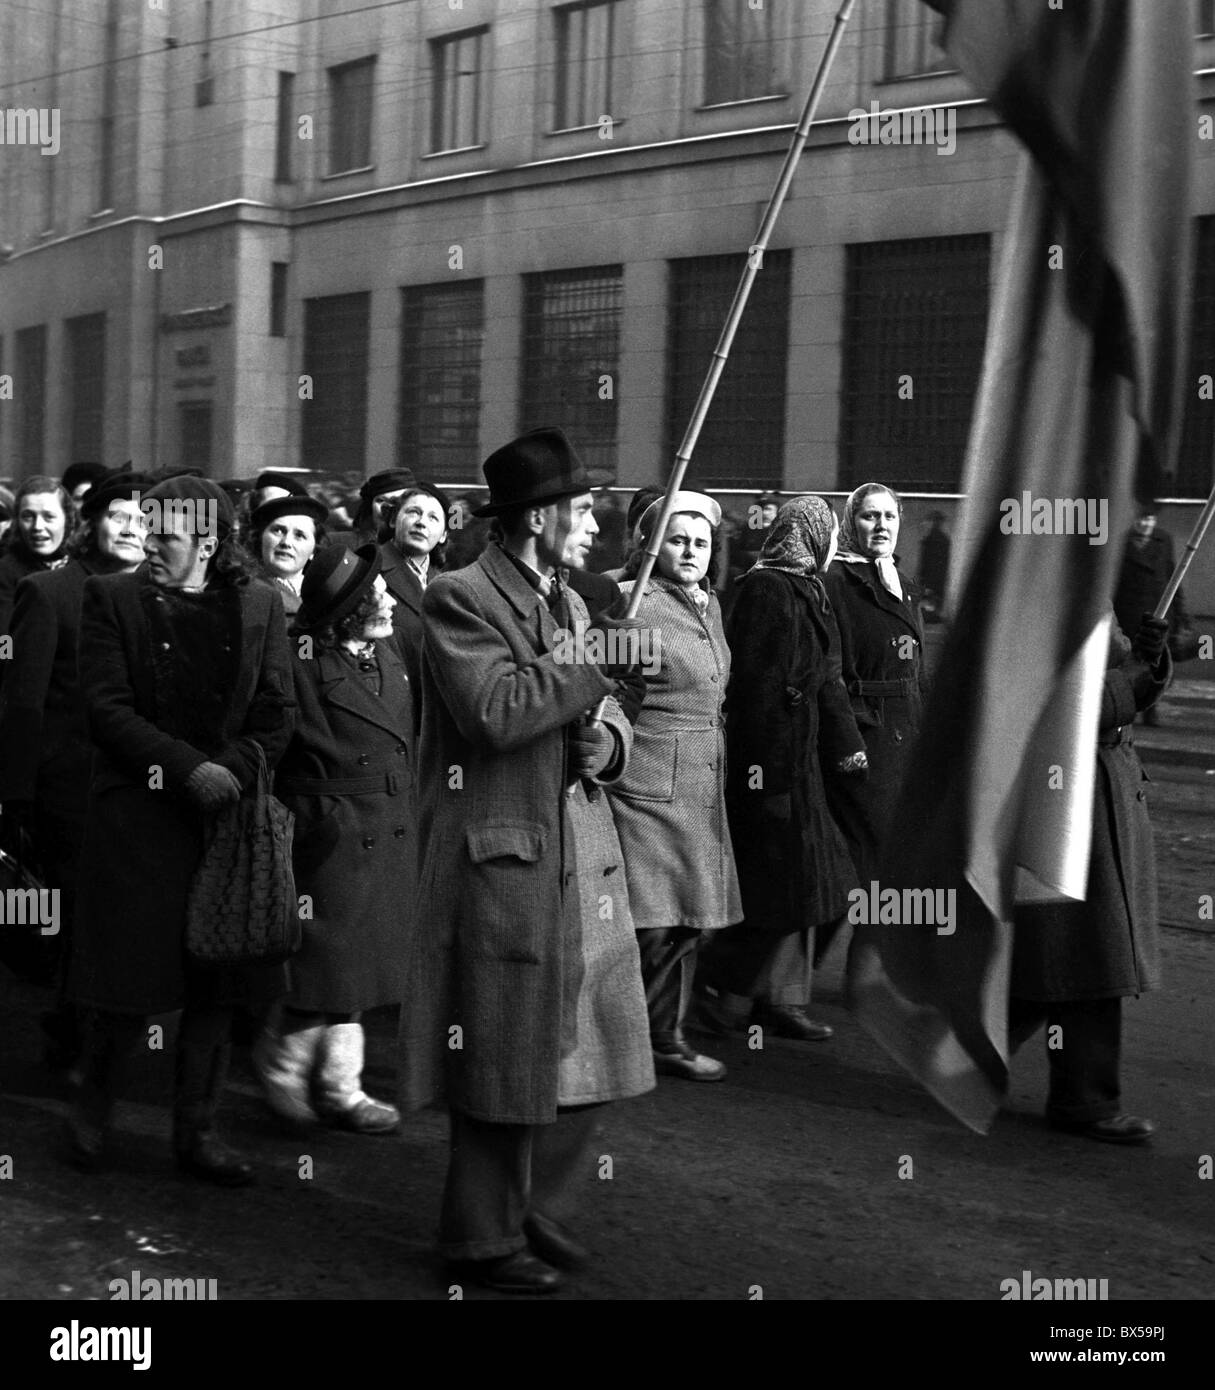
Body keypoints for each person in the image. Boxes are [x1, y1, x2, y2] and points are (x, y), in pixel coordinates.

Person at [398, 426, 654, 1295]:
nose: (593, 525)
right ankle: (480, 1241)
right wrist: (590, 663)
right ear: (540, 516)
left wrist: (608, 748)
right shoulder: (460, 599)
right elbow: (498, 712)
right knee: (500, 1056)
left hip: (582, 859)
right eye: (581, 510)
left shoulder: (576, 603)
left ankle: (538, 1207)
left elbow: (606, 708)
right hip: (503, 863)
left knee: (597, 1045)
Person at [65, 476, 294, 1185]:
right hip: (139, 818)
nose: (145, 542)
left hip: (225, 820)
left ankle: (196, 1132)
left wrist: (234, 769)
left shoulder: (259, 606)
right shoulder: (115, 598)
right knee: (128, 982)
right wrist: (188, 769)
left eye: (161, 532)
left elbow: (276, 710)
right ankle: (93, 1110)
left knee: (215, 984)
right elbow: (106, 709)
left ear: (207, 541)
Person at [253, 545, 414, 1136]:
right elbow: (269, 747)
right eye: (378, 594)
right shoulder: (300, 664)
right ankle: (283, 1069)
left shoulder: (389, 654)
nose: (391, 600)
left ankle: (342, 1086)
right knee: (323, 964)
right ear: (347, 611)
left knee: (362, 969)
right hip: (331, 831)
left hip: (390, 823)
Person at [699, 497, 868, 1041]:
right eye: (831, 531)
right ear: (811, 535)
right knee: (781, 893)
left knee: (814, 889)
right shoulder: (769, 588)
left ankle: (741, 995)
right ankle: (724, 993)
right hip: (772, 769)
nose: (836, 540)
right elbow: (757, 690)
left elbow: (829, 677)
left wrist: (846, 746)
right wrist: (765, 779)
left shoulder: (809, 587)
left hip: (800, 767)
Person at [0, 472, 149, 1054]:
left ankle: (85, 1023)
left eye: (145, 520)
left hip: (144, 789)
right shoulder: (50, 591)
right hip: (70, 790)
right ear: (92, 524)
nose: (133, 530)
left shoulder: (163, 594)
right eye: (120, 517)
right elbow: (23, 703)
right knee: (72, 918)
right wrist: (15, 799)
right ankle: (78, 1036)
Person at [1009, 614, 1169, 1144]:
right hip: (1071, 792)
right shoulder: (1040, 587)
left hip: (1105, 782)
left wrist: (1151, 658)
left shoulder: (1081, 574)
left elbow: (1114, 675)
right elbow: (1063, 706)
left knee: (1055, 953)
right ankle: (1085, 1102)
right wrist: (1137, 676)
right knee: (1089, 954)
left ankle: (958, 1046)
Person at [609, 491, 740, 1081]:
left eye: (701, 543)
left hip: (701, 779)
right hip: (646, 781)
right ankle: (630, 1038)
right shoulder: (631, 600)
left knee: (688, 919)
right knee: (651, 923)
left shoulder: (707, 602)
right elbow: (585, 675)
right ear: (651, 545)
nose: (690, 552)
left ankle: (661, 1035)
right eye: (678, 540)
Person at [821, 483, 927, 957]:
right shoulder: (837, 582)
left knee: (882, 857)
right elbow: (831, 671)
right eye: (869, 517)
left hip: (905, 733)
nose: (881, 525)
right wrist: (849, 739)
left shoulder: (901, 581)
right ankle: (866, 969)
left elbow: (915, 669)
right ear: (851, 523)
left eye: (889, 516)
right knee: (874, 856)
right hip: (866, 736)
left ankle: (792, 977)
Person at [1113, 503, 1190, 727]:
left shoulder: (1163, 540)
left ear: (1155, 521)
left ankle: (1151, 709)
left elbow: (1172, 577)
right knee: (1127, 661)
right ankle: (1127, 709)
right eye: (1141, 519)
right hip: (1126, 612)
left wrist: (1181, 614)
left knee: (1154, 661)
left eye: (1149, 520)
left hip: (1158, 611)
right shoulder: (1120, 542)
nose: (1145, 524)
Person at [378, 482, 448, 688]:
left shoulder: (447, 583)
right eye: (413, 512)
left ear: (443, 535)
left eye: (433, 518)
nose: (421, 523)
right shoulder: (369, 568)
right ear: (393, 520)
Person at [0, 477, 75, 641]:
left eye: (49, 517)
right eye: (28, 517)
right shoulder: (5, 572)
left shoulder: (82, 566)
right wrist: (5, 662)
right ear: (17, 522)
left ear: (67, 520)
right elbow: (3, 639)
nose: (37, 527)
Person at [246, 493, 329, 617]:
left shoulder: (325, 594)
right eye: (278, 531)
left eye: (300, 535)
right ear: (261, 539)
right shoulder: (246, 591)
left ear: (313, 551)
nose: (286, 542)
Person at [333, 469, 417, 549]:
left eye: (396, 501)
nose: (386, 509)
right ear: (371, 506)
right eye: (381, 501)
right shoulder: (339, 542)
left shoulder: (423, 547)